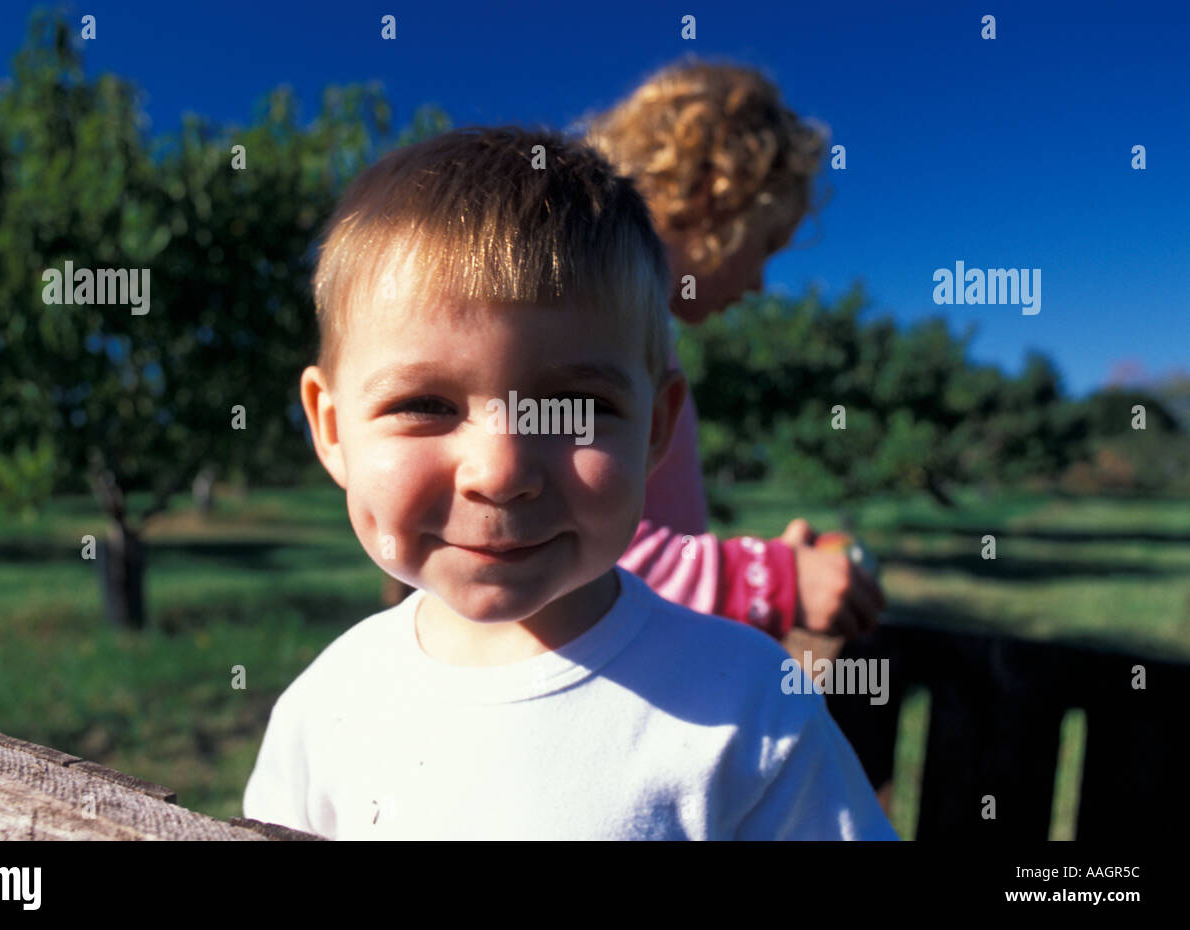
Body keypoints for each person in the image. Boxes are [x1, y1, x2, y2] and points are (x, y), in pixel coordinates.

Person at [243, 126, 897, 839]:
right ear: (332, 430)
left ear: (656, 428)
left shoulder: (750, 712)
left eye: (575, 409)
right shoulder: (325, 710)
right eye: (425, 405)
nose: (499, 472)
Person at [578, 57, 885, 642]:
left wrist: (763, 566)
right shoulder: (590, 330)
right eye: (765, 245)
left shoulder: (639, 339)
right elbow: (565, 542)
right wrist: (772, 579)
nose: (761, 285)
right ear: (712, 198)